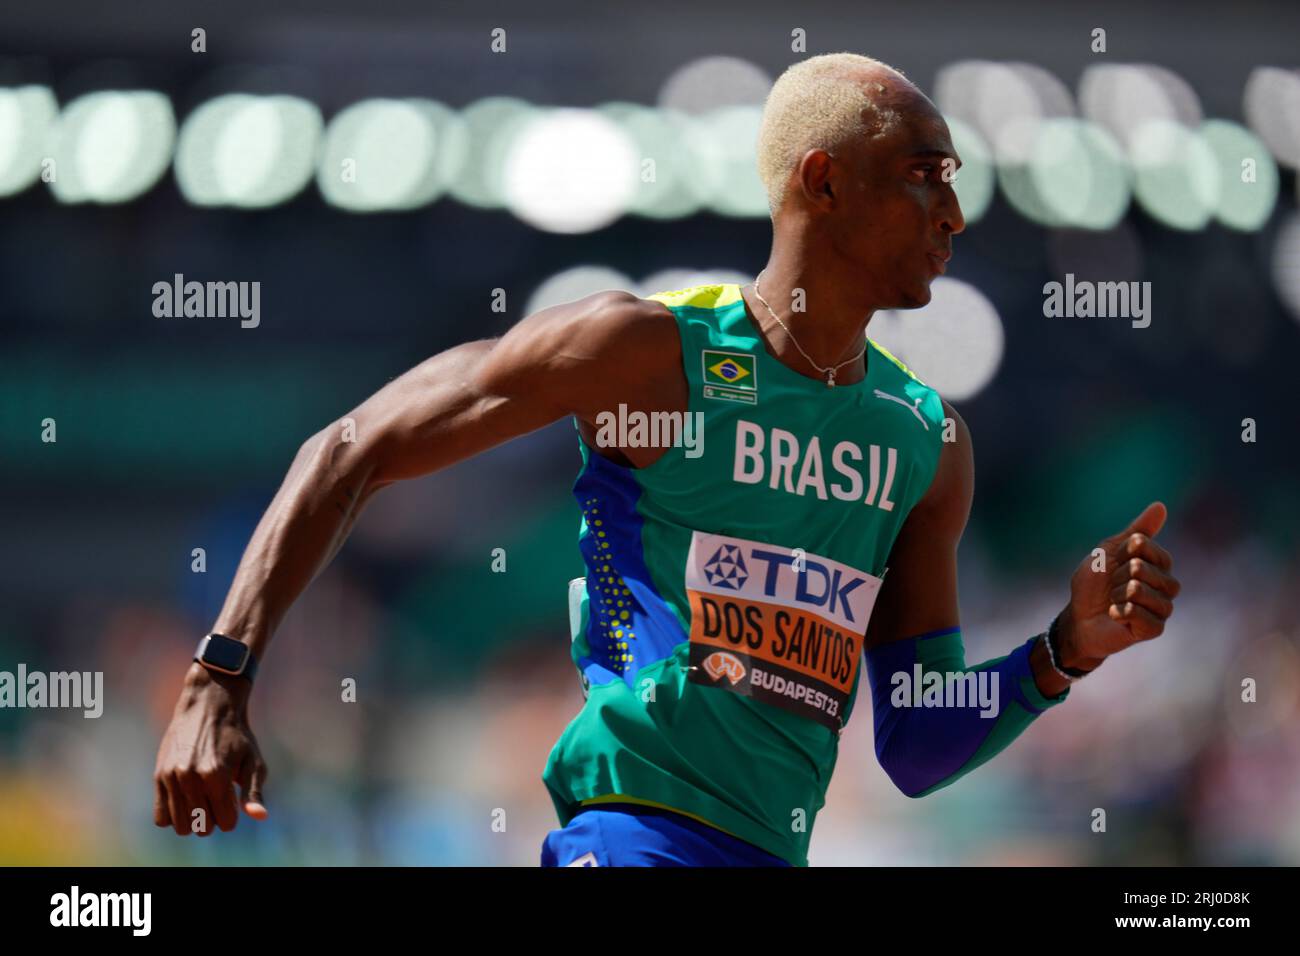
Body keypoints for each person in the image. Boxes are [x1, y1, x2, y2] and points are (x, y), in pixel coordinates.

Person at [154, 52, 1181, 866]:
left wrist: (1063, 649)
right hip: (632, 835)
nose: (952, 215)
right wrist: (217, 676)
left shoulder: (924, 440)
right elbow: (352, 444)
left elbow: (914, 738)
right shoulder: (645, 354)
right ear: (822, 180)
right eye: (923, 179)